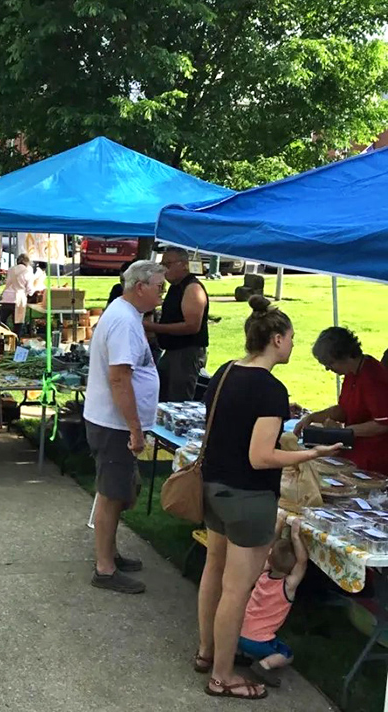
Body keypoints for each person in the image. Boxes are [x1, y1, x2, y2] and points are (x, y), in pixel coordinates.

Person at [195, 296, 340, 700]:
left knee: (214, 571)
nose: (293, 345)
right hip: (247, 497)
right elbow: (261, 456)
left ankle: (208, 652)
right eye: (291, 338)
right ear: (276, 339)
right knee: (237, 589)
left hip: (213, 487)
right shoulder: (270, 388)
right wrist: (310, 454)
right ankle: (222, 675)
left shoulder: (226, 371)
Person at [84, 260, 164, 594]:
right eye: (160, 286)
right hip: (114, 425)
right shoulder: (124, 322)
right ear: (140, 287)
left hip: (112, 422)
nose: (163, 292)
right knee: (112, 495)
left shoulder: (126, 315)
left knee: (117, 492)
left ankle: (110, 555)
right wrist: (134, 429)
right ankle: (105, 569)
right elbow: (119, 378)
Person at [295, 327, 388, 474]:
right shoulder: (352, 372)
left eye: (330, 363)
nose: (327, 368)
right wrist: (313, 417)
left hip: (374, 460)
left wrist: (343, 432)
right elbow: (344, 409)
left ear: (344, 356)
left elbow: (382, 424)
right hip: (355, 451)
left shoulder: (372, 377)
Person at [238, 515, 308, 688]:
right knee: (287, 655)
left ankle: (239, 654)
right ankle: (264, 666)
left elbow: (267, 548)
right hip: (258, 641)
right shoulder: (288, 586)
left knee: (250, 638)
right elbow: (303, 561)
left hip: (238, 632)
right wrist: (295, 537)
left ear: (269, 559)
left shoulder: (261, 574)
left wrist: (278, 525)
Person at [146, 247, 209, 402]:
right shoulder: (176, 287)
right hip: (172, 350)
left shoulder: (192, 288)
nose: (163, 268)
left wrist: (153, 327)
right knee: (161, 393)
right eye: (162, 263)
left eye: (168, 263)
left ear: (184, 265)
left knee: (178, 400)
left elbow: (192, 326)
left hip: (186, 352)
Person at [0, 253, 35, 333]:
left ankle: (3, 337)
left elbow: (7, 282)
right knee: (18, 323)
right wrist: (31, 294)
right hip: (19, 298)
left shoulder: (11, 269)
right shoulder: (27, 271)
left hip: (6, 297)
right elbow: (29, 288)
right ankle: (16, 340)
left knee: (2, 321)